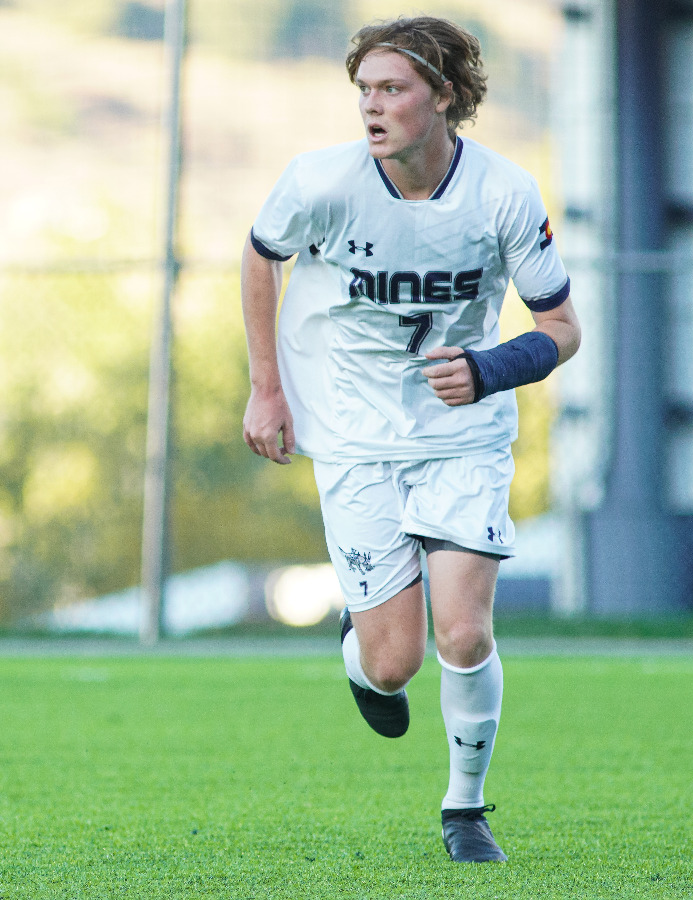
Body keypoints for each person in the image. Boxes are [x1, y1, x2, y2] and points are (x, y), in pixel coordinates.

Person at [240, 16, 581, 863]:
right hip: (354, 437)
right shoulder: (321, 181)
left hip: (463, 438)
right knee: (393, 664)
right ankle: (360, 647)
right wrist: (267, 388)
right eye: (364, 89)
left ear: (446, 97)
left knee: (463, 631)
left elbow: (563, 329)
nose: (371, 106)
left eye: (392, 89)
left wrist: (489, 369)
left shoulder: (504, 194)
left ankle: (465, 810)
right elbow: (260, 256)